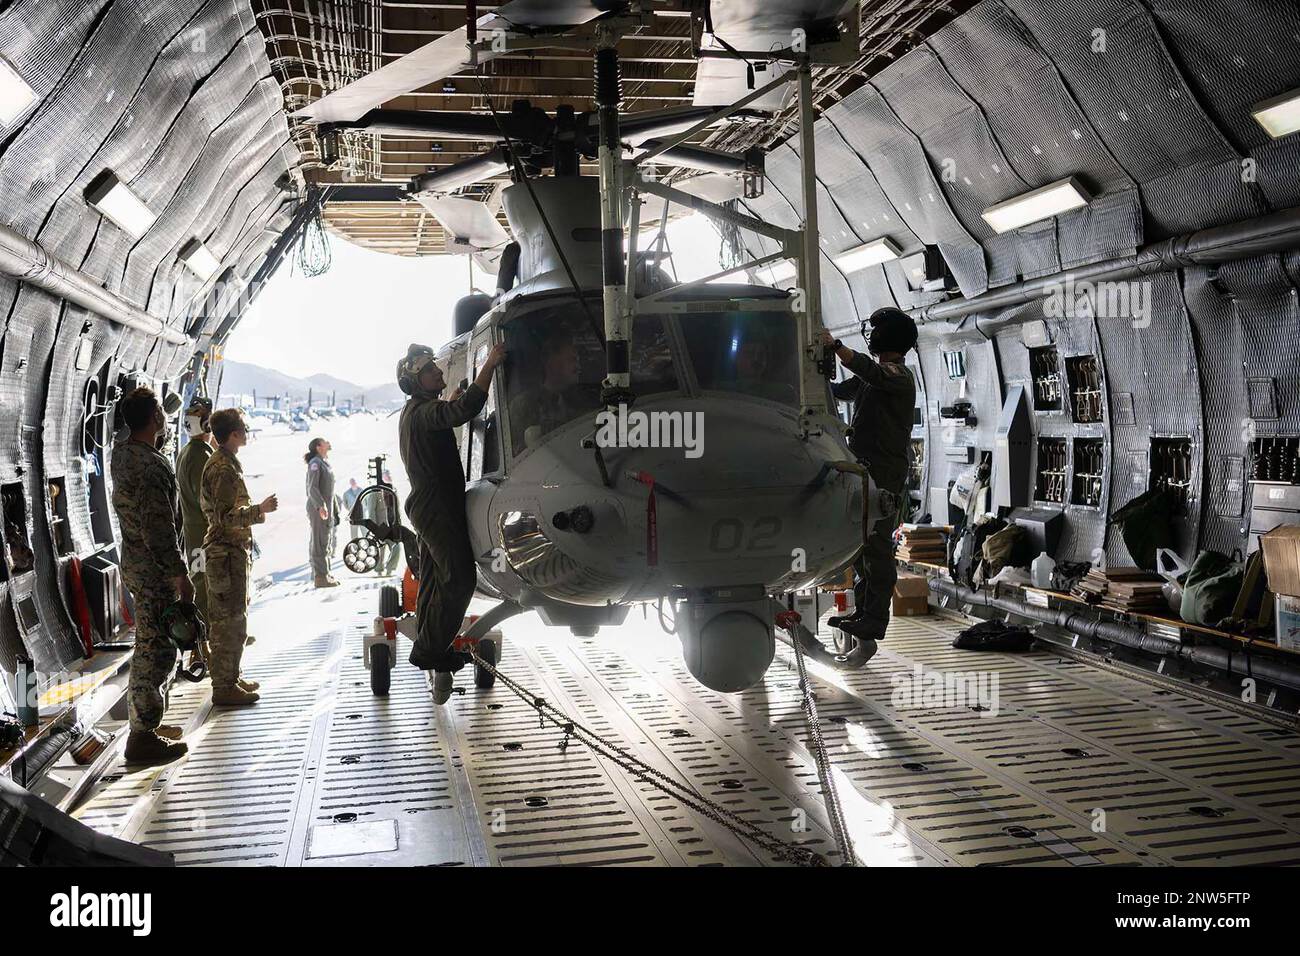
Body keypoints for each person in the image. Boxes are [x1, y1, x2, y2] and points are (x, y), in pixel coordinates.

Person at [396, 341, 506, 703]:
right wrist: (490, 364)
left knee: (433, 582)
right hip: (437, 506)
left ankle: (431, 644)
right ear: (417, 381)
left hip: (430, 506)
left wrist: (454, 396)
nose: (439, 372)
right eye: (431, 371)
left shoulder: (417, 411)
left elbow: (449, 409)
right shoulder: (424, 412)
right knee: (459, 578)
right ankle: (430, 650)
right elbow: (465, 409)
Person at [816, 306, 918, 668]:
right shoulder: (876, 377)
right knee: (859, 544)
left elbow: (868, 371)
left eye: (874, 330)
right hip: (864, 470)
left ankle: (874, 620)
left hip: (884, 474)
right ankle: (863, 613)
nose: (869, 335)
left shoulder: (898, 376)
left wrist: (838, 346)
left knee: (875, 547)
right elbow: (841, 390)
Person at [110, 387, 193, 765]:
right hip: (156, 570)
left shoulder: (123, 456)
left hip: (136, 565)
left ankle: (149, 724)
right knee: (155, 648)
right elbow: (158, 529)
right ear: (155, 418)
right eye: (160, 410)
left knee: (151, 642)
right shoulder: (151, 466)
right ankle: (141, 737)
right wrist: (179, 573)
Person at [202, 408, 278, 705]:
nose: (246, 432)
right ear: (234, 434)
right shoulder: (223, 468)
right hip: (225, 553)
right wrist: (259, 510)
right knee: (227, 622)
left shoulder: (227, 463)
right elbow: (223, 517)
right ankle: (223, 687)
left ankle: (231, 677)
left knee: (236, 619)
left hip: (232, 553)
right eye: (243, 428)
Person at [508, 330, 586, 447]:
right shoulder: (523, 405)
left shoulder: (578, 402)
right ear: (552, 363)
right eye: (572, 359)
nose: (578, 367)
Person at [304, 437, 338, 588]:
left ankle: (326, 573)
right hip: (318, 508)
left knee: (325, 539)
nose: (328, 443)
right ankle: (320, 577)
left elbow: (329, 491)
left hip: (326, 507)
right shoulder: (315, 464)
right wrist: (320, 506)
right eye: (325, 442)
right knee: (319, 541)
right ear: (318, 447)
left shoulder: (323, 463)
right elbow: (312, 488)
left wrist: (333, 510)